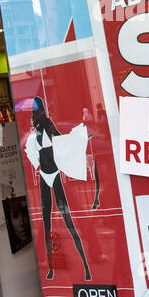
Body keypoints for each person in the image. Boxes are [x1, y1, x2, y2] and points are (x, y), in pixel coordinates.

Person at [24, 97, 92, 280]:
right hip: (45, 177)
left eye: (37, 110)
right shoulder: (35, 133)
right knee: (47, 224)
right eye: (35, 110)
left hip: (54, 175)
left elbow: (64, 141)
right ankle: (51, 269)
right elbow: (35, 155)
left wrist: (81, 139)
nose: (36, 113)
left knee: (68, 220)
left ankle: (86, 266)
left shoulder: (48, 125)